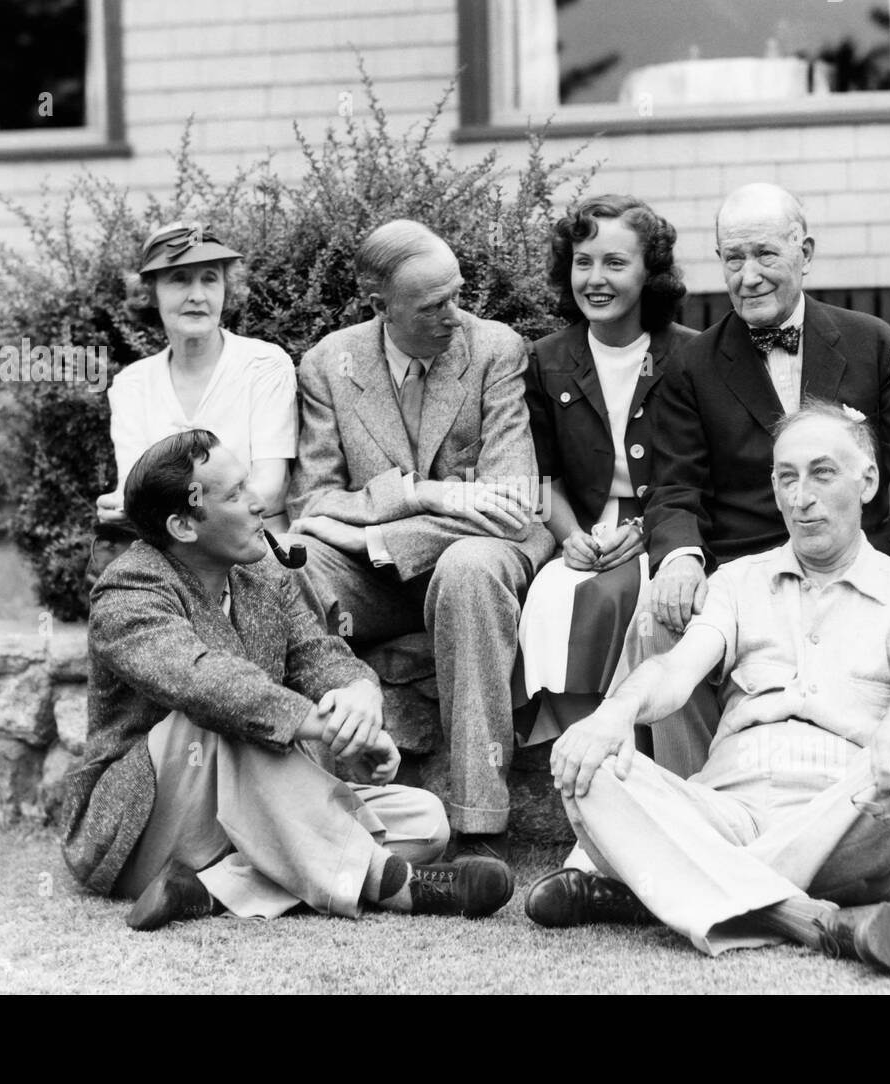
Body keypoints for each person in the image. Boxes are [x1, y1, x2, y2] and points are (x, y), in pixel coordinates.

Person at [525, 403, 890, 974]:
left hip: (843, 808)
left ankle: (657, 886)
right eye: (786, 477)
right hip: (728, 807)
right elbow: (674, 671)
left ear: (867, 480)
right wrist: (615, 711)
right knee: (588, 767)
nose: (801, 497)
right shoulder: (738, 581)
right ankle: (805, 918)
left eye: (822, 474)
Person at [61, 429, 515, 929]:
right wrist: (324, 728)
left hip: (244, 819)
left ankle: (206, 892)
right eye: (234, 494)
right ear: (183, 526)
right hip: (142, 826)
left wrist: (360, 700)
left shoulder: (264, 573)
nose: (259, 502)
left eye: (248, 484)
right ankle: (395, 884)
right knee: (224, 715)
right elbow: (202, 682)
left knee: (425, 820)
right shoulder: (129, 587)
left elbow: (321, 655)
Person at [633, 181, 890, 755]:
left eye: (765, 255)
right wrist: (680, 557)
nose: (747, 275)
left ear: (804, 253)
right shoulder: (689, 364)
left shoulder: (871, 341)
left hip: (864, 568)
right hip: (752, 576)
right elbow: (675, 484)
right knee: (658, 622)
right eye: (733, 258)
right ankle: (701, 801)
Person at [283, 219, 554, 861]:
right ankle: (299, 806)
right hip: (375, 579)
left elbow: (512, 502)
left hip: (481, 554)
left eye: (458, 295)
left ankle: (479, 827)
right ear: (382, 308)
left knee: (466, 569)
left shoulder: (496, 349)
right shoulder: (328, 363)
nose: (455, 316)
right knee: (296, 562)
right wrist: (422, 494)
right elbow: (313, 504)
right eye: (435, 306)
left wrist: (378, 541)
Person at [517, 194, 711, 775]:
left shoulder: (691, 354)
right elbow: (540, 471)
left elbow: (702, 472)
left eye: (615, 263)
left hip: (670, 526)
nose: (595, 279)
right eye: (582, 262)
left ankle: (644, 763)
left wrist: (646, 526)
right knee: (555, 598)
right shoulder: (546, 359)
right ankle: (587, 768)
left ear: (650, 272)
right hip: (582, 530)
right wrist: (570, 535)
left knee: (626, 598)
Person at [95, 221, 297, 535]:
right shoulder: (131, 385)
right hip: (169, 553)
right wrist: (119, 504)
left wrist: (166, 511)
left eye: (210, 279)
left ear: (225, 290)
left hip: (257, 546)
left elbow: (269, 487)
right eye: (180, 280)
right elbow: (134, 487)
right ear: (149, 292)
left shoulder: (264, 365)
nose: (198, 295)